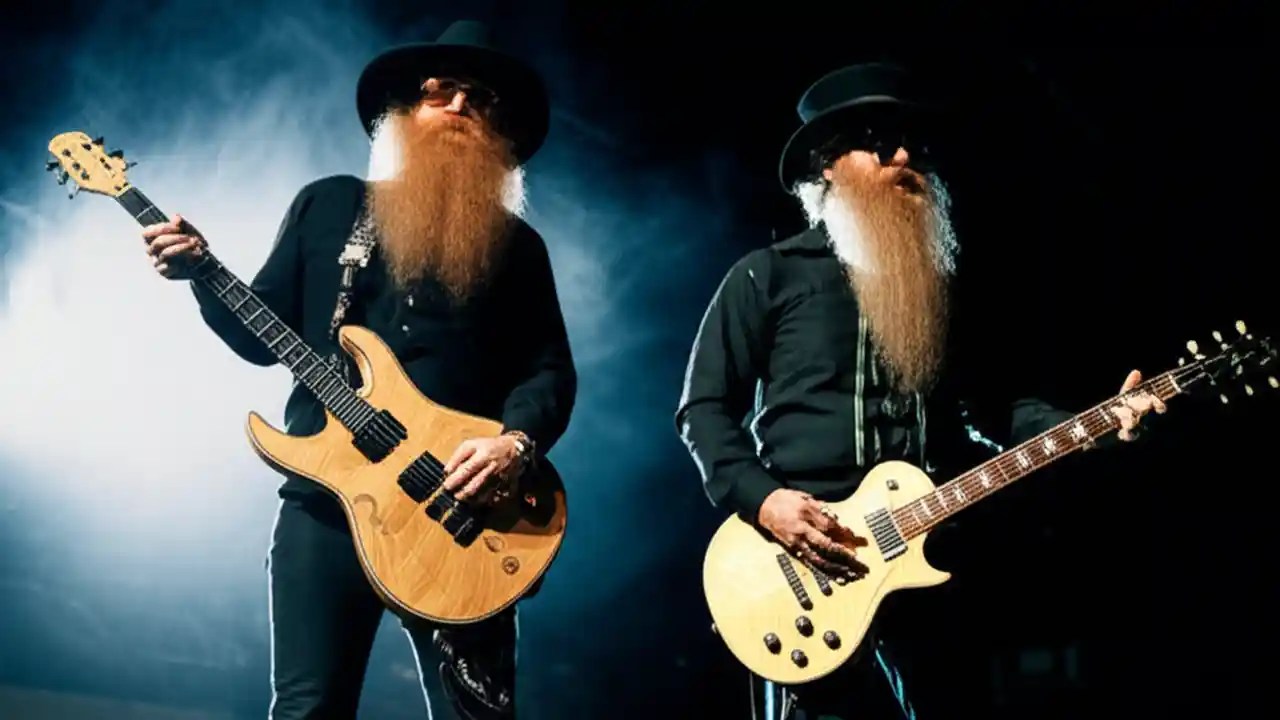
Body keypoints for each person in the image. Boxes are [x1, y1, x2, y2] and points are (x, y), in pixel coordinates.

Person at [674, 62, 1164, 719]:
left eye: (915, 145)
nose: (904, 156)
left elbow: (995, 405)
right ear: (828, 163)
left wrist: (1099, 420)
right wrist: (766, 505)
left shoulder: (942, 293)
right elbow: (704, 411)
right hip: (805, 558)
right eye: (880, 142)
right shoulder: (768, 277)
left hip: (927, 559)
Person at [139, 20, 576, 720]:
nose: (460, 107)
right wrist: (199, 274)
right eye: (442, 92)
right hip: (328, 506)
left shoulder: (519, 248)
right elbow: (260, 336)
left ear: (502, 131)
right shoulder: (331, 205)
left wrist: (513, 446)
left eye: (481, 98)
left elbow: (550, 371)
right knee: (309, 708)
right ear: (405, 112)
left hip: (458, 511)